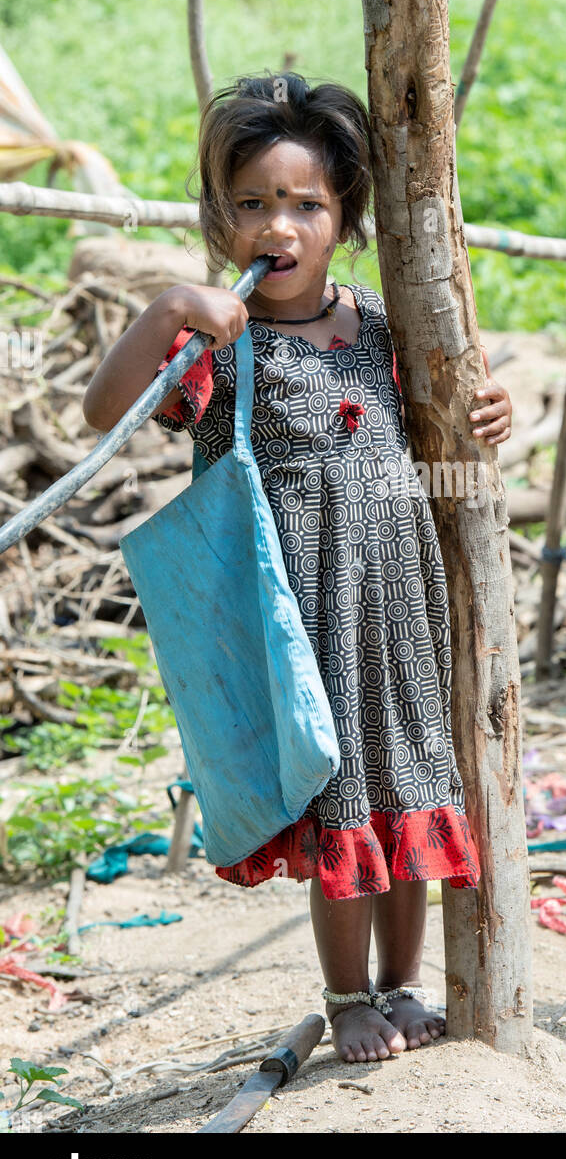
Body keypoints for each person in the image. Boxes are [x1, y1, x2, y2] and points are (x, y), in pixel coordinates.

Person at [83, 71, 514, 1064]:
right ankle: (344, 994)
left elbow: (454, 418)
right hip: (301, 626)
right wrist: (164, 312)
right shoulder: (222, 354)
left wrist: (492, 412)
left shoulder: (383, 329)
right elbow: (104, 412)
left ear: (344, 219)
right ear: (221, 219)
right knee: (339, 804)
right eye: (251, 204)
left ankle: (403, 984)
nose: (277, 224)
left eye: (304, 204)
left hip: (402, 616)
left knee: (409, 788)